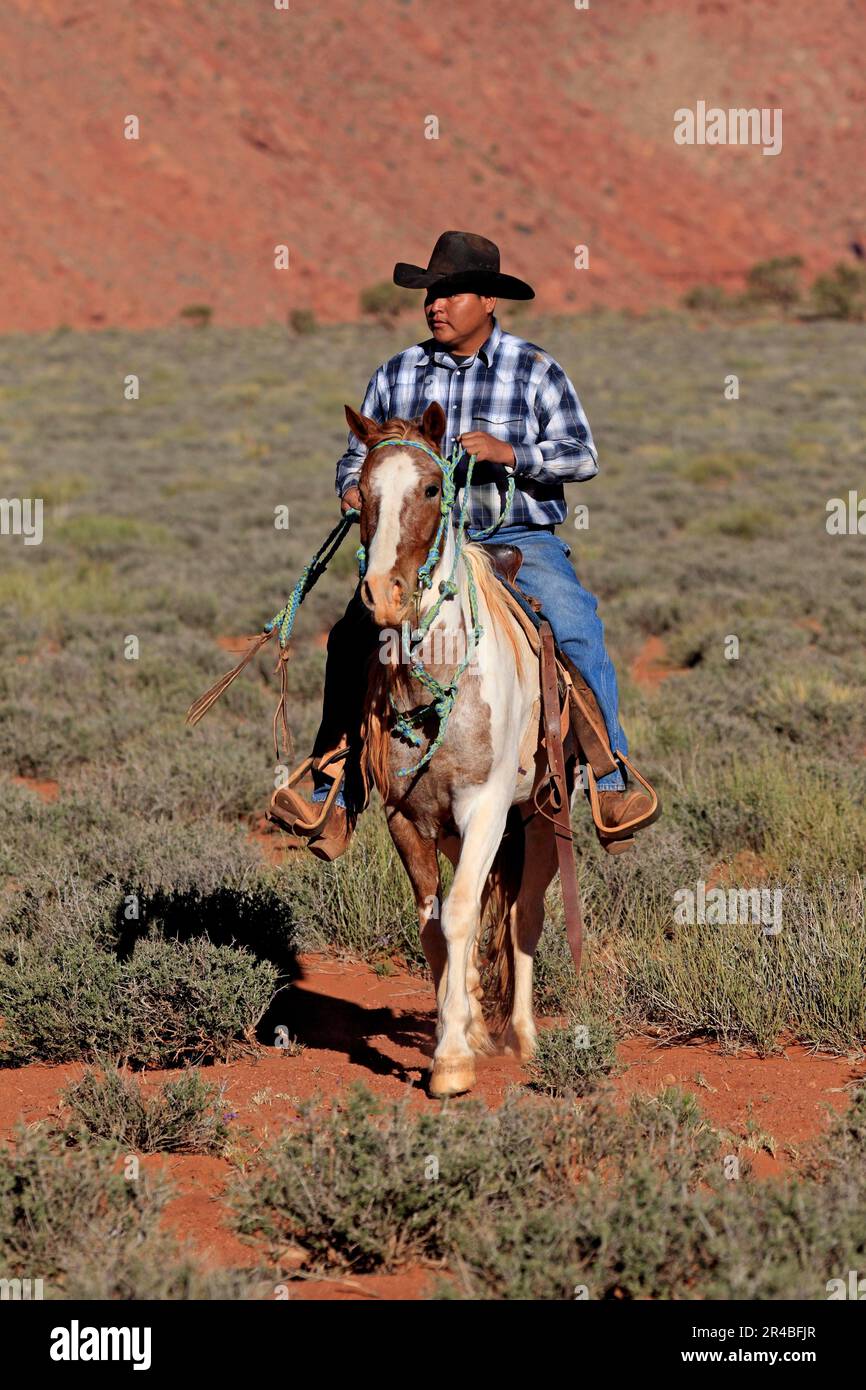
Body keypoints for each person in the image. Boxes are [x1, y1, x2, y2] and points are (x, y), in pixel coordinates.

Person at [270, 230, 654, 859]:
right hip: (419, 552)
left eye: (450, 293)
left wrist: (513, 454)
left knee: (574, 621)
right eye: (430, 295)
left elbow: (582, 454)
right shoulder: (396, 373)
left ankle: (612, 778)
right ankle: (334, 787)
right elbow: (355, 454)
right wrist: (355, 490)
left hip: (515, 540)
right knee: (350, 637)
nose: (436, 305)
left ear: (488, 301)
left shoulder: (534, 370)